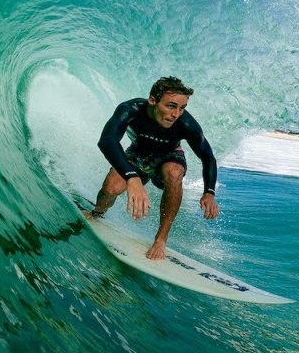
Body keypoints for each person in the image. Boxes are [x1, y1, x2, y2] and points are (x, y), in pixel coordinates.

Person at [86, 76, 219, 260]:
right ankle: (98, 212)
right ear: (152, 100)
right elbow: (107, 140)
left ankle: (161, 239)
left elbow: (208, 157)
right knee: (111, 189)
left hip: (169, 157)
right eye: (171, 106)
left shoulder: (186, 125)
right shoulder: (131, 110)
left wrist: (209, 192)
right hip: (137, 154)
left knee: (174, 173)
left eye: (182, 108)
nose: (176, 114)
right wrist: (133, 178)